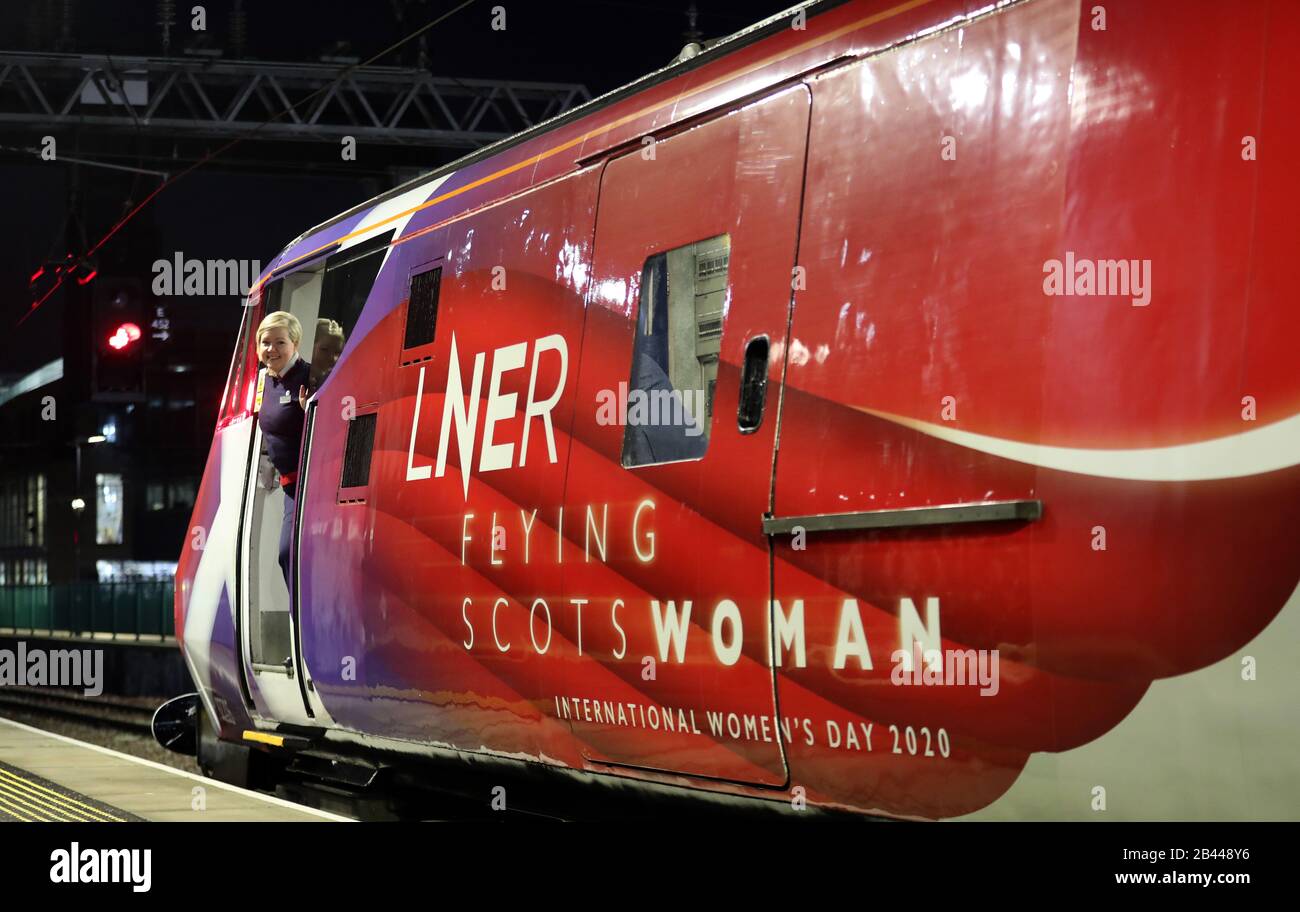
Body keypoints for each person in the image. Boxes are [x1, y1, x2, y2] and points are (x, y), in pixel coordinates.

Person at [255, 310, 310, 593]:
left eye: (280, 342)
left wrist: (309, 412)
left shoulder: (308, 377)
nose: (271, 349)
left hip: (311, 485)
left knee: (289, 553)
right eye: (266, 342)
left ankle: (305, 630)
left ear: (295, 344)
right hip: (289, 486)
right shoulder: (264, 381)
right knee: (287, 556)